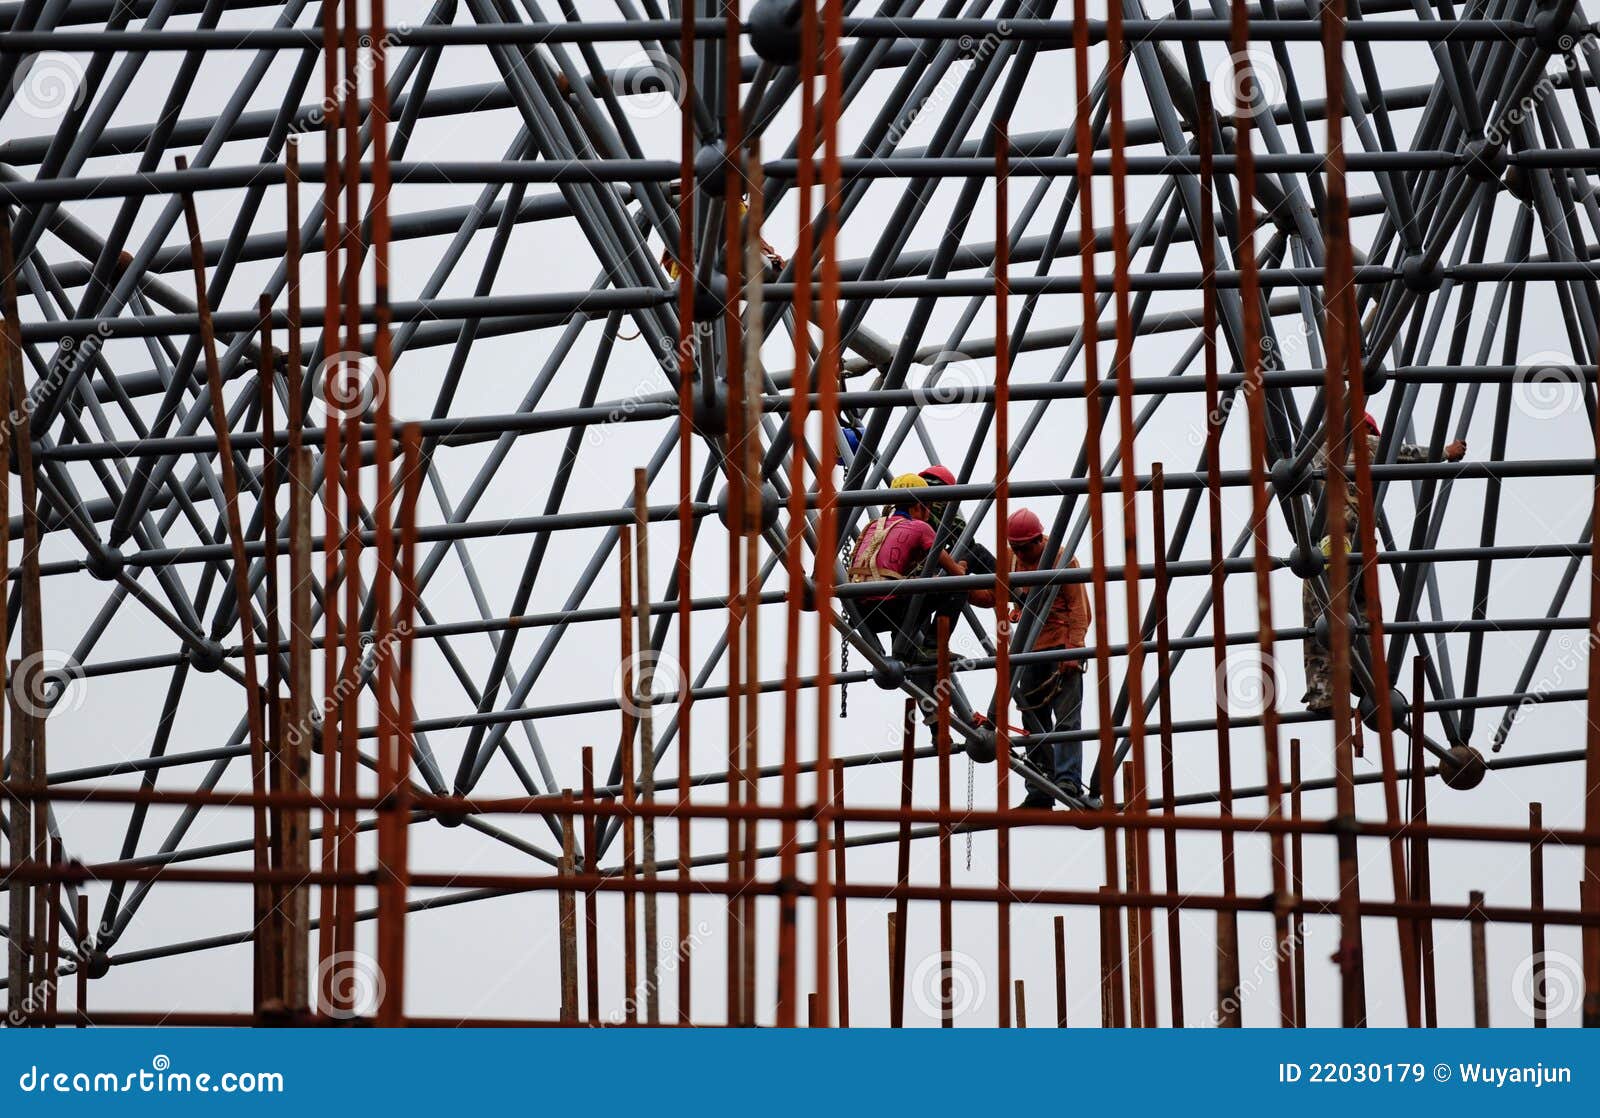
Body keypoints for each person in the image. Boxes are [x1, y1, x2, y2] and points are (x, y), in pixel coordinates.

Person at [1301, 412, 1467, 711]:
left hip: (1325, 545)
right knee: (1362, 613)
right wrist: (1446, 451)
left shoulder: (1317, 451)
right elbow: (1408, 453)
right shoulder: (1367, 445)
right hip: (1359, 545)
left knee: (1319, 618)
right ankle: (1363, 677)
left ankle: (1324, 693)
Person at [972, 508, 1098, 809]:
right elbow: (992, 597)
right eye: (1015, 547)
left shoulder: (1061, 559)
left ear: (1039, 539)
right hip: (1028, 651)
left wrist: (1074, 649)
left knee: (1067, 720)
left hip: (1061, 647)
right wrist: (958, 583)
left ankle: (1066, 778)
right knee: (1032, 718)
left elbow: (1079, 609)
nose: (1020, 552)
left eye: (1025, 547)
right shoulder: (1010, 558)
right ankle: (1040, 787)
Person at [846, 474, 968, 659]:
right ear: (920, 506)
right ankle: (932, 646)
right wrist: (963, 566)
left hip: (859, 613)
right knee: (959, 586)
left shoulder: (873, 526)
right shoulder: (920, 527)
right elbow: (956, 572)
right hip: (890, 608)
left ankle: (907, 648)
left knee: (911, 585)